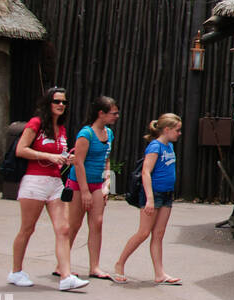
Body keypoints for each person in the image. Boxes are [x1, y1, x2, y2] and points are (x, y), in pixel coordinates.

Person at [9, 87, 86, 291]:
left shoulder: (61, 128)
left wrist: (65, 159)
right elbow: (21, 149)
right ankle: (16, 271)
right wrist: (50, 156)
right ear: (48, 104)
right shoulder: (36, 123)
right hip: (35, 181)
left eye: (64, 102)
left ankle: (66, 275)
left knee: (64, 229)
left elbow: (57, 153)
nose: (61, 105)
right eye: (57, 101)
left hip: (55, 182)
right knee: (27, 228)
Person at [113, 114, 182, 285]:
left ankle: (160, 273)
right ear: (167, 129)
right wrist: (149, 199)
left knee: (158, 234)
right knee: (143, 232)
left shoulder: (170, 146)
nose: (179, 133)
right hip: (154, 194)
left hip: (167, 194)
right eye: (177, 130)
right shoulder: (155, 146)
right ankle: (119, 264)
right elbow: (146, 172)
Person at [63, 96, 119, 279]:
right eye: (113, 113)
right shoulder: (85, 134)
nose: (116, 116)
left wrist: (108, 186)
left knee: (97, 223)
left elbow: (107, 160)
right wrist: (85, 191)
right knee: (74, 224)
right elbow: (78, 163)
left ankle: (94, 267)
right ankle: (62, 264)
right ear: (101, 113)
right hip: (79, 184)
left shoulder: (109, 134)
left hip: (98, 183)